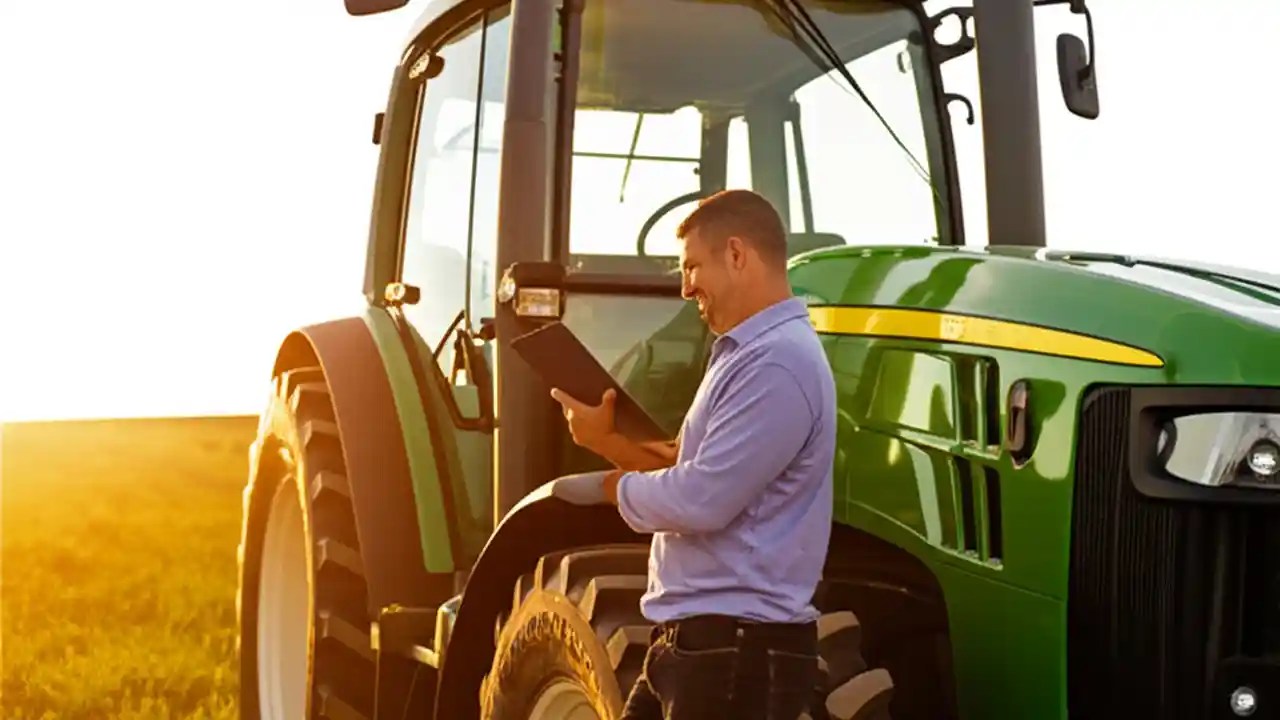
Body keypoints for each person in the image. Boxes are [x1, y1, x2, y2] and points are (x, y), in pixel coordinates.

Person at [548, 189, 837, 720]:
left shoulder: (776, 365)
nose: (685, 288)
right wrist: (605, 442)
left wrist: (607, 488)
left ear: (736, 254)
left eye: (692, 267)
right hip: (699, 647)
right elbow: (692, 472)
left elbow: (702, 500)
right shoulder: (744, 356)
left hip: (737, 653)